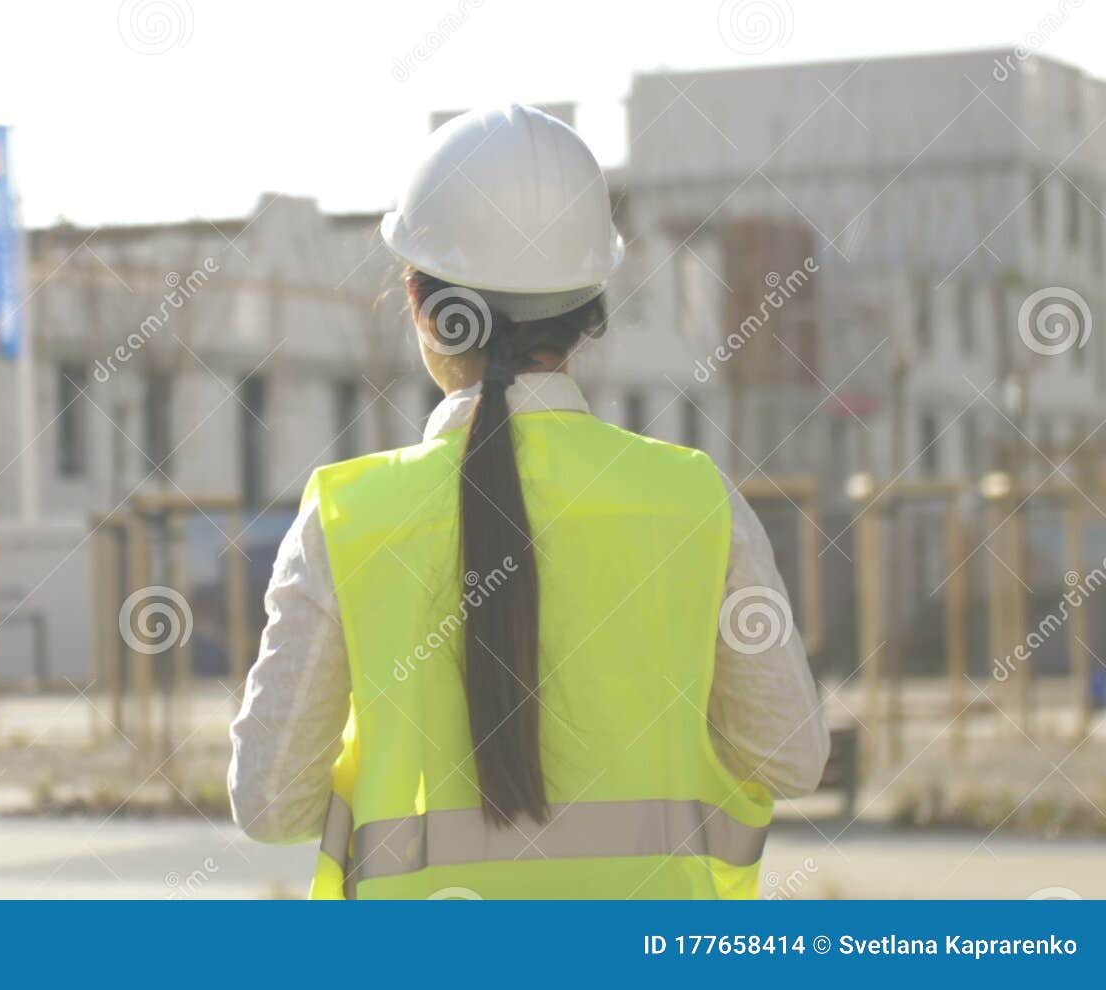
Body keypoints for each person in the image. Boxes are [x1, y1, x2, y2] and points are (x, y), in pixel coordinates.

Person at [227, 105, 828, 900]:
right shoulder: (693, 501)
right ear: (590, 309)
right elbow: (788, 757)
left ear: (421, 305)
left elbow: (270, 805)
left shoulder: (350, 515)